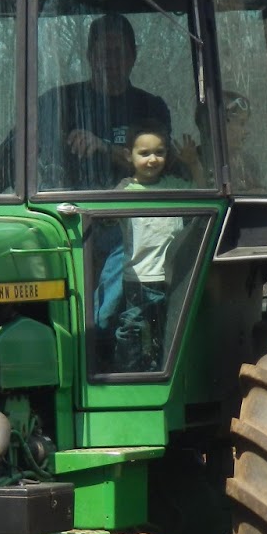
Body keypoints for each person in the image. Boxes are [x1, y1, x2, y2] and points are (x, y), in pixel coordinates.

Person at [107, 122, 202, 372]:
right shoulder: (125, 190)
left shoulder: (173, 185)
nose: (152, 159)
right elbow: (105, 216)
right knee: (133, 329)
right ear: (129, 156)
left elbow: (202, 192)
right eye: (144, 153)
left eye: (159, 153)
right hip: (138, 278)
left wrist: (193, 163)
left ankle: (157, 374)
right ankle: (128, 375)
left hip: (173, 277)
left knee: (167, 333)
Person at [39, 12, 171, 189]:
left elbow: (164, 166)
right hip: (71, 210)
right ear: (90, 56)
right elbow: (15, 152)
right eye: (104, 53)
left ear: (133, 57)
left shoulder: (152, 108)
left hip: (138, 210)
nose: (111, 61)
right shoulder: (58, 102)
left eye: (119, 53)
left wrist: (104, 148)